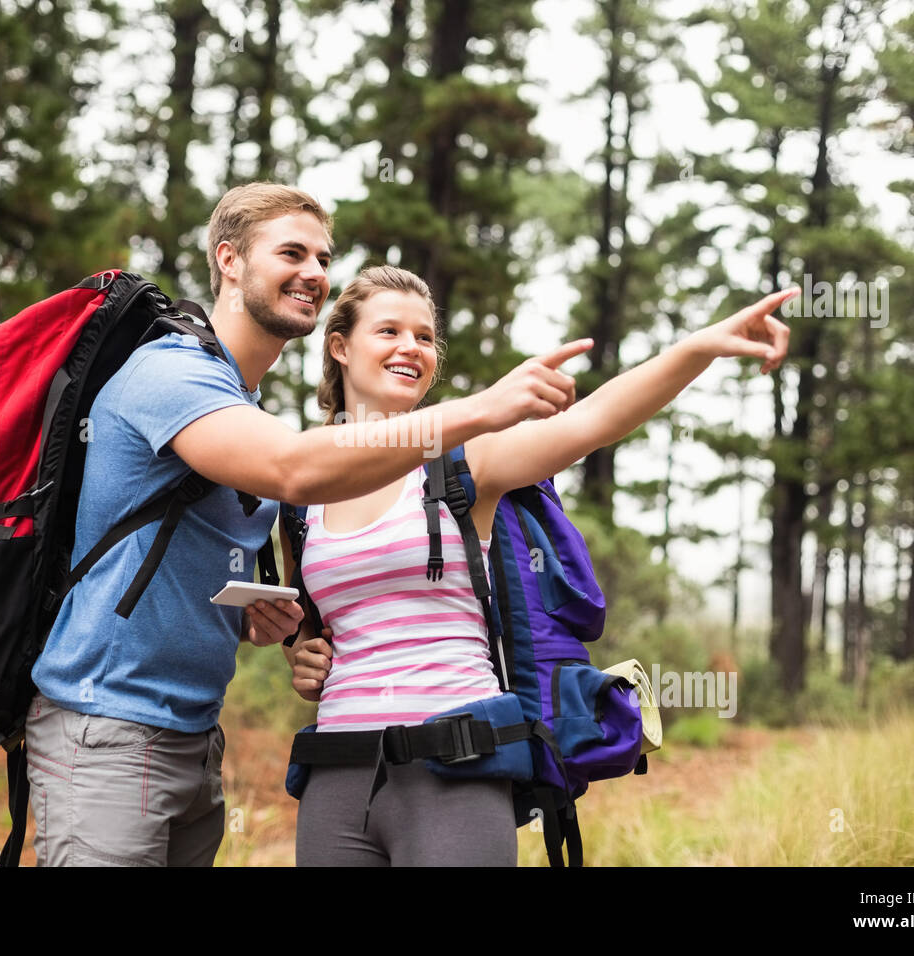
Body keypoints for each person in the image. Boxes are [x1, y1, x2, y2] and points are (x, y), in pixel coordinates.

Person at [24, 183, 590, 866]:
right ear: (228, 260)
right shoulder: (171, 374)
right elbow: (294, 467)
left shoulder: (243, 403)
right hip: (104, 725)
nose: (315, 273)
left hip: (192, 737)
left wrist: (275, 628)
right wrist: (483, 409)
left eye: (324, 258)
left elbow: (180, 562)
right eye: (291, 252)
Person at [281, 265, 795, 866]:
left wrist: (699, 346)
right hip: (336, 777)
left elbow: (593, 422)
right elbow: (311, 623)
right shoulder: (301, 490)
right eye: (389, 330)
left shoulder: (462, 464)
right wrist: (302, 652)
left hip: (460, 768)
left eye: (424, 337)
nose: (410, 348)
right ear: (339, 346)